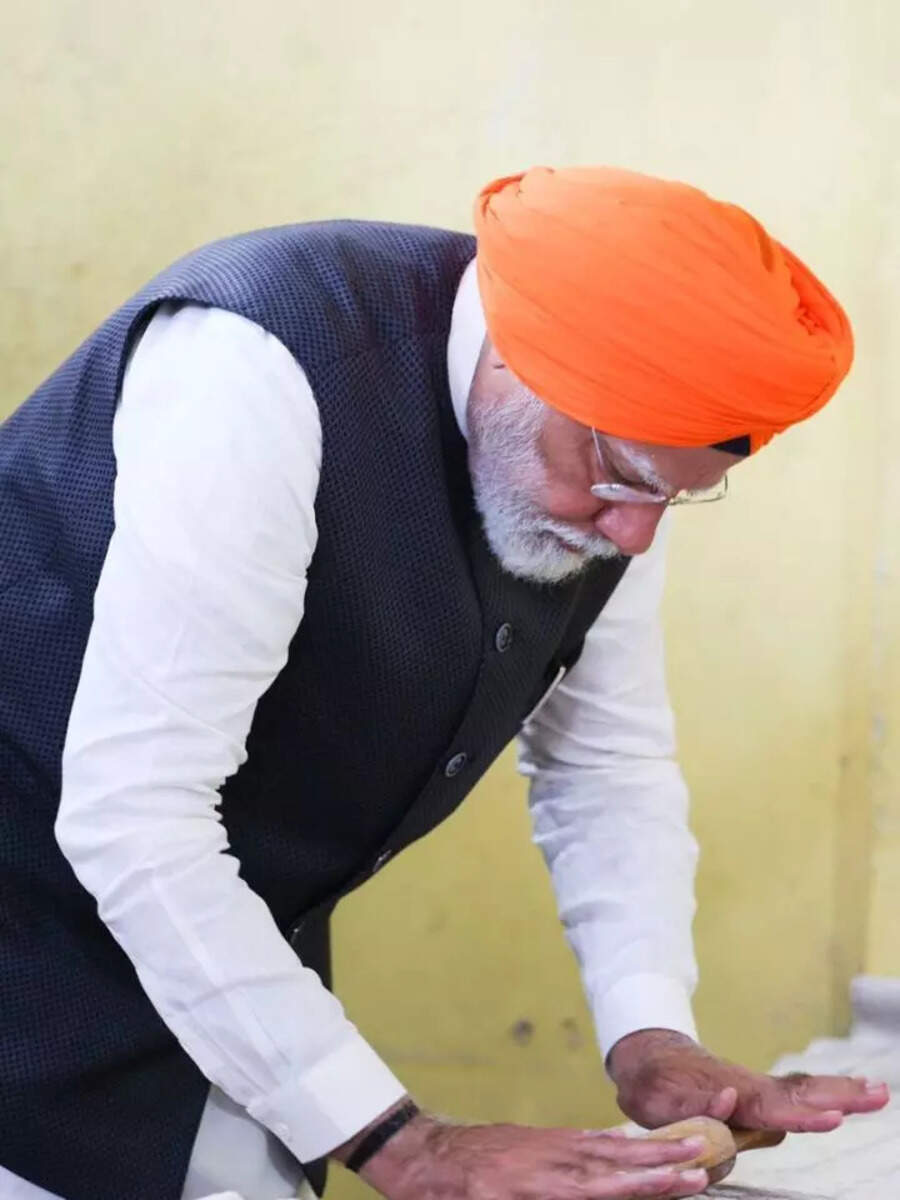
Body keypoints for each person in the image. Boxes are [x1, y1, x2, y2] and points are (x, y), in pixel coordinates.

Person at [0, 166, 887, 1200]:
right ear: (523, 365)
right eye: (622, 480)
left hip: (203, 950)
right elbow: (135, 812)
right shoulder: (262, 368)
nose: (633, 534)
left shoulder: (615, 466)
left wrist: (651, 1031)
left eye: (673, 497)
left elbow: (606, 767)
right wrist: (405, 1145)